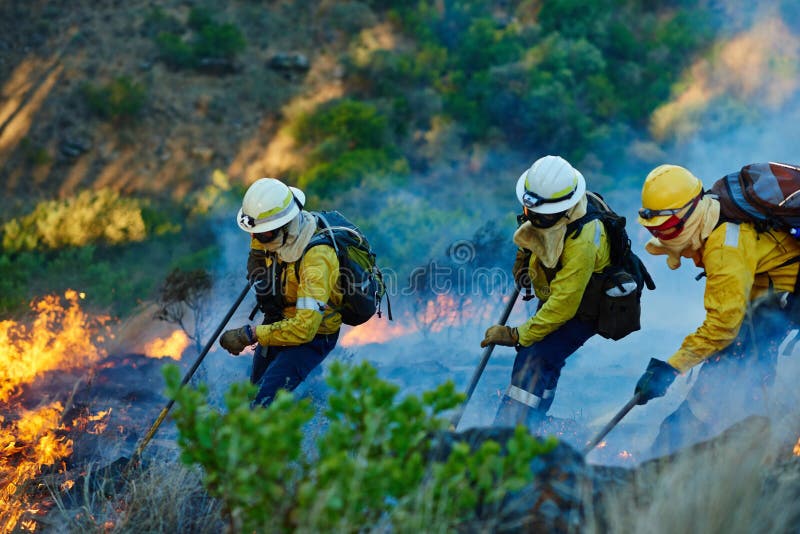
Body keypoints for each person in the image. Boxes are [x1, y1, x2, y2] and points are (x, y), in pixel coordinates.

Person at [633, 164, 800, 455]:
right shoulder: (713, 211)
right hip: (769, 298)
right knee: (746, 361)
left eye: (667, 229)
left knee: (729, 372)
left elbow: (723, 324)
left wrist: (671, 368)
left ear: (690, 212)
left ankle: (687, 444)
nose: (664, 237)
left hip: (786, 298)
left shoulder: (725, 247)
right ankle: (753, 424)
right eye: (654, 229)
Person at [481, 155, 612, 432]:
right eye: (530, 212)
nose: (533, 218)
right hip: (560, 293)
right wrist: (524, 259)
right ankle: (532, 421)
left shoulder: (585, 239)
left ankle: (509, 435)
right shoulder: (545, 209)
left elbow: (565, 305)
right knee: (542, 359)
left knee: (535, 357)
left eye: (542, 215)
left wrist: (516, 334)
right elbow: (534, 231)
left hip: (586, 305)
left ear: (564, 209)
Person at [219, 178, 342, 406]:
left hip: (314, 335)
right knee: (255, 391)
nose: (256, 239)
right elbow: (259, 247)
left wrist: (250, 334)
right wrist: (259, 271)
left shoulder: (317, 260)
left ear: (286, 226)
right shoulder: (268, 232)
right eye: (254, 233)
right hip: (280, 318)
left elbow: (304, 329)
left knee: (264, 402)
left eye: (262, 235)